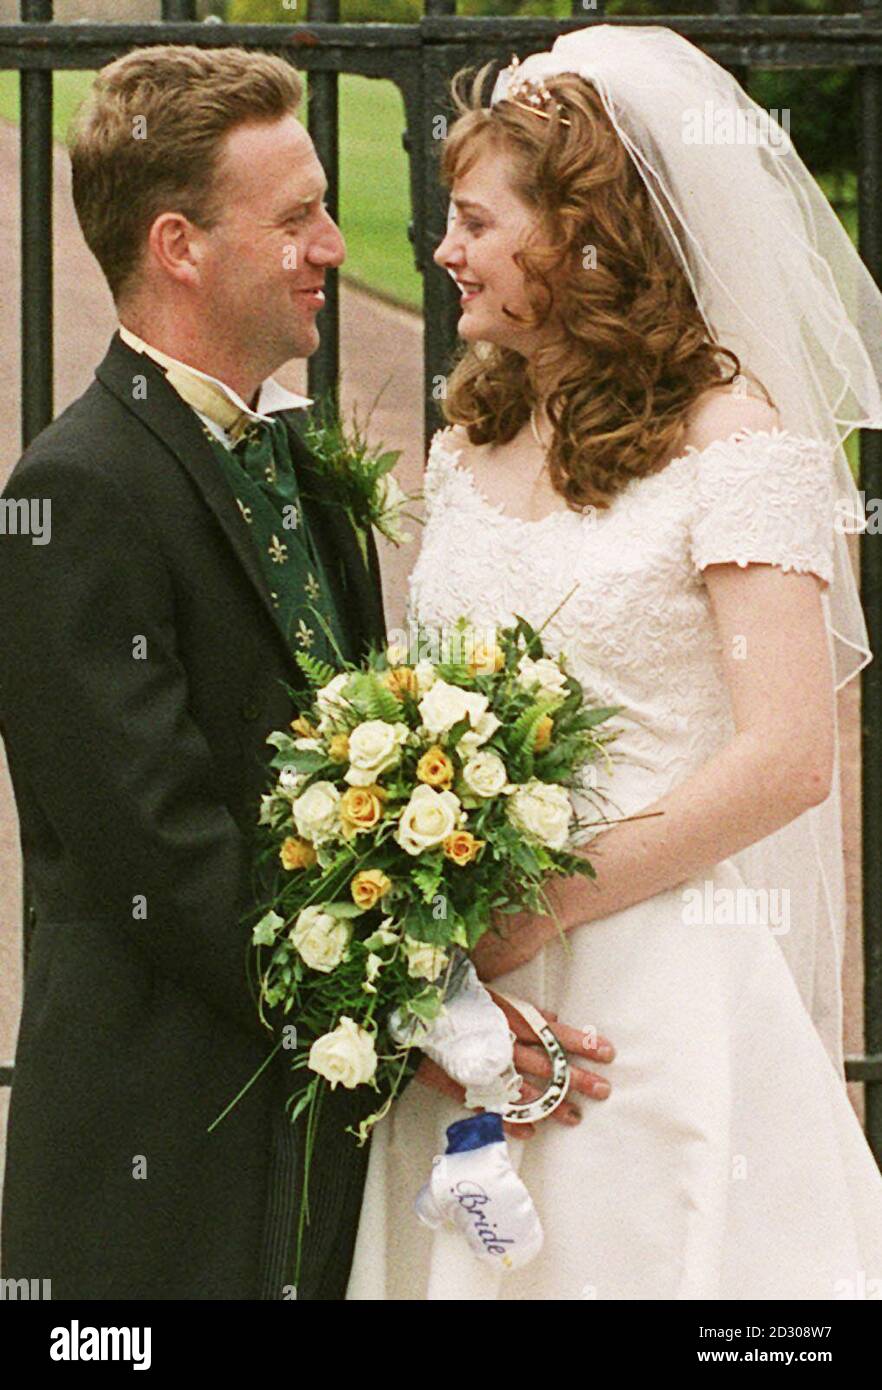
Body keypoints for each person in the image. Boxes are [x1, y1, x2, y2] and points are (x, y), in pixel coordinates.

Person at [0, 44, 608, 1301]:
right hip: (156, 1157)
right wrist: (432, 1017)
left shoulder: (294, 464)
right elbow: (166, 858)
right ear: (179, 246)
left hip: (320, 1151)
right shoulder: (76, 491)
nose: (335, 245)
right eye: (297, 217)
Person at [346, 25, 882, 1300]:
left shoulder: (732, 441)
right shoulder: (472, 437)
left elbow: (788, 758)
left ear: (581, 238)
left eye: (476, 222)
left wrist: (554, 901)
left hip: (663, 985)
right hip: (478, 1010)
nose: (445, 252)